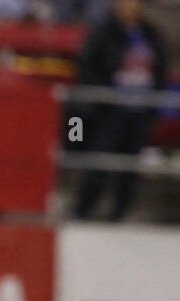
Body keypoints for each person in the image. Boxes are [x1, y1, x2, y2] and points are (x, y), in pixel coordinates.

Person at [72, 0, 168, 222]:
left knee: (130, 166)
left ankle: (120, 213)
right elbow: (87, 66)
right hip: (110, 109)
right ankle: (82, 211)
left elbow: (160, 70)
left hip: (139, 111)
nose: (132, 6)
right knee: (100, 163)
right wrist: (103, 95)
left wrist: (153, 102)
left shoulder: (151, 34)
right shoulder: (103, 31)